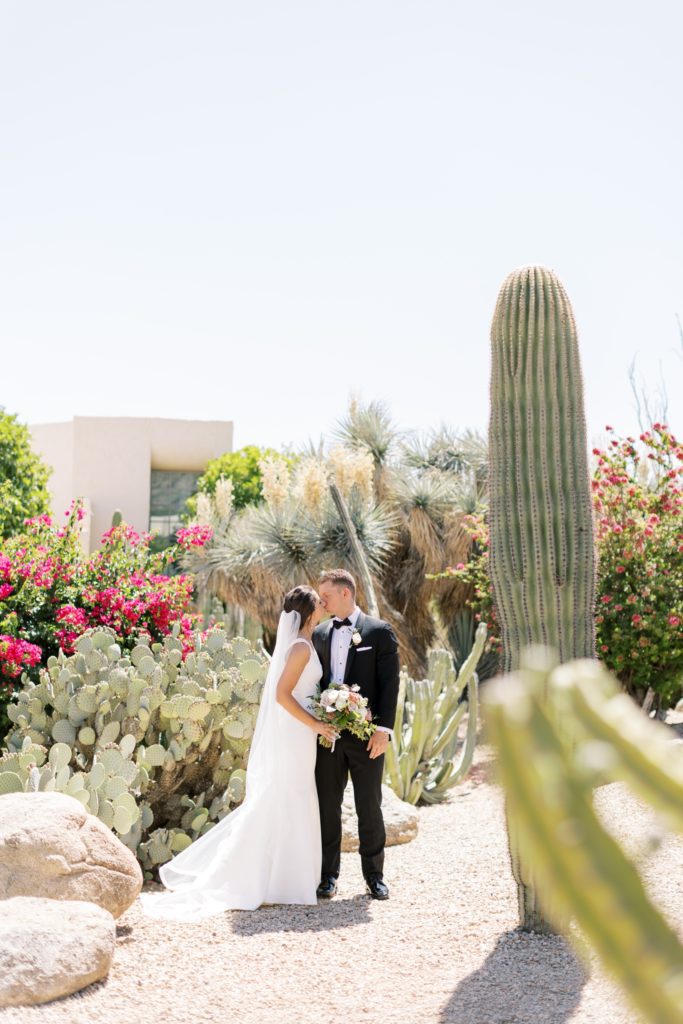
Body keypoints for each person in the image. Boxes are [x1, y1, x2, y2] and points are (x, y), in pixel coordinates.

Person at [138, 585, 336, 921]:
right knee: (286, 796)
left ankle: (285, 881)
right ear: (308, 610)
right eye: (319, 602)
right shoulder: (301, 647)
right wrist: (316, 724)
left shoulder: (303, 642)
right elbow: (282, 695)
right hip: (295, 732)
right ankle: (276, 881)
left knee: (292, 796)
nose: (323, 604)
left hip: (300, 732)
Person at [313, 569, 400, 900]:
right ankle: (327, 876)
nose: (322, 601)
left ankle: (374, 875)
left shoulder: (378, 632)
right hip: (328, 736)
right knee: (327, 805)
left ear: (345, 593)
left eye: (327, 595)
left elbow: (391, 683)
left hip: (367, 737)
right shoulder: (319, 634)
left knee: (369, 805)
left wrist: (383, 730)